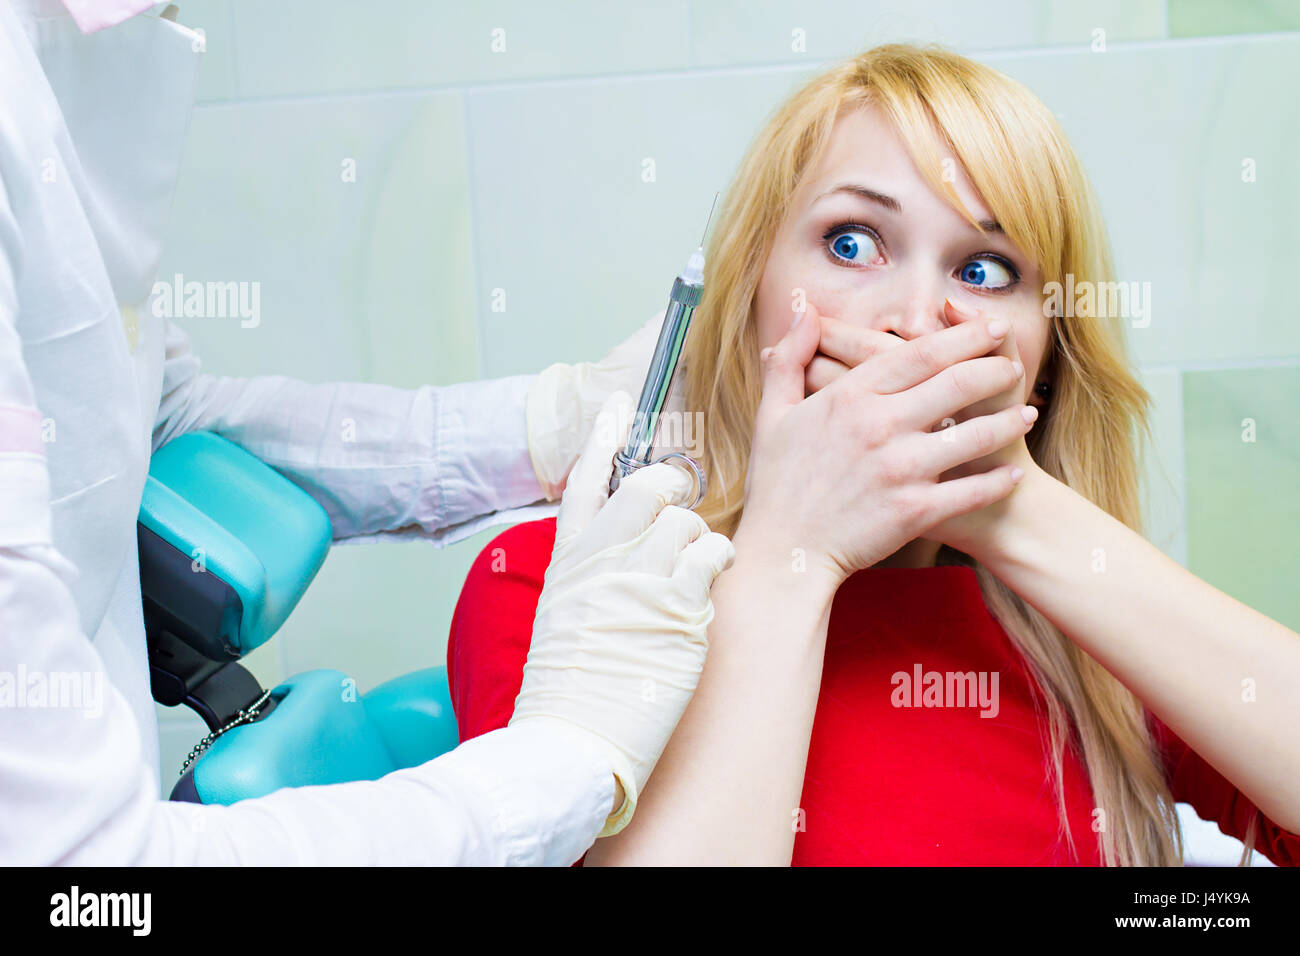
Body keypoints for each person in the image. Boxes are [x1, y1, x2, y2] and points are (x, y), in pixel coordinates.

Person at [447, 43, 1300, 866]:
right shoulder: (561, 589)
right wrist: (792, 551)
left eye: (987, 270)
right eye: (852, 243)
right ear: (748, 300)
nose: (912, 318)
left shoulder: (1091, 648)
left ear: (1041, 373)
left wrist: (1010, 506)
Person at [0, 0, 725, 865]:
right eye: (848, 242)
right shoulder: (523, 589)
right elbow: (87, 877)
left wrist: (547, 423)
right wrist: (563, 759)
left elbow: (144, 418)